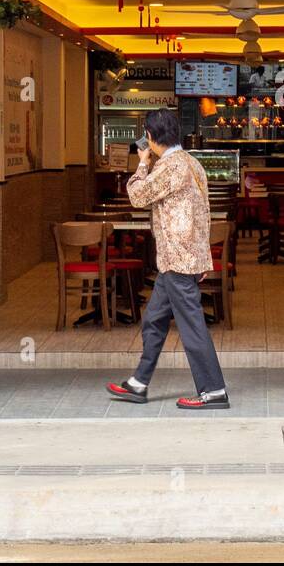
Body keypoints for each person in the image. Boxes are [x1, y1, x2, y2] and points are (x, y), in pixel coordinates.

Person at [106, 109, 229, 410]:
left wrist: (142, 164)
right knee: (154, 320)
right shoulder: (192, 163)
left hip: (177, 260)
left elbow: (137, 196)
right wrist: (202, 258)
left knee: (192, 326)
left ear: (150, 135)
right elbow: (204, 213)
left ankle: (213, 390)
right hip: (180, 260)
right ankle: (139, 383)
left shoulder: (170, 167)